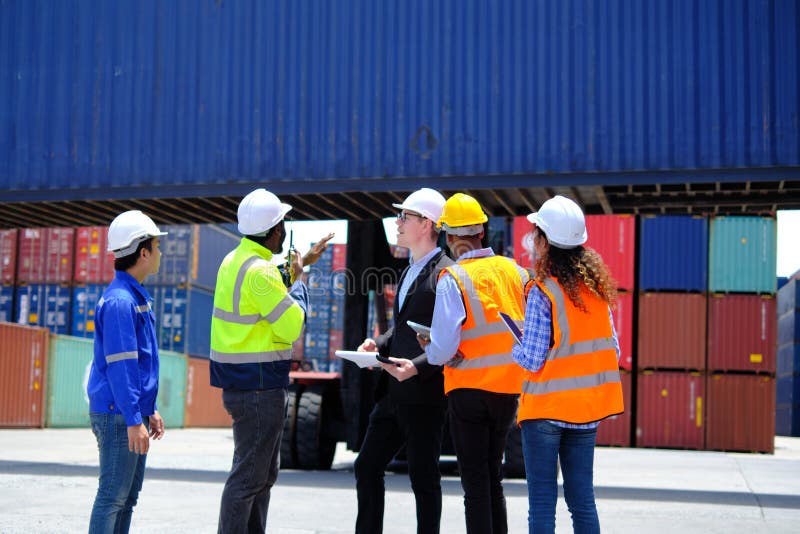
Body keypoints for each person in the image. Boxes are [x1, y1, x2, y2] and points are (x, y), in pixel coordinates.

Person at [512, 195, 624, 534]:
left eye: (535, 235)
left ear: (544, 242)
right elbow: (612, 349)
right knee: (582, 501)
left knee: (543, 504)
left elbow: (531, 358)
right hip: (586, 412)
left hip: (545, 410)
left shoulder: (542, 290)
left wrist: (514, 344)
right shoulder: (597, 294)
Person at [420, 193, 530, 534]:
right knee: (493, 478)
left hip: (468, 390)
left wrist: (431, 346)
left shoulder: (453, 277)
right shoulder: (516, 271)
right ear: (483, 230)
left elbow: (441, 351)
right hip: (509, 390)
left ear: (449, 237)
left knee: (476, 485)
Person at [353, 188, 453, 534]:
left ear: (426, 224)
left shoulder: (447, 274)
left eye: (404, 217)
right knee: (366, 466)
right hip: (393, 393)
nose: (397, 223)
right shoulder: (410, 269)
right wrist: (375, 343)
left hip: (425, 395)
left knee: (424, 480)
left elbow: (452, 340)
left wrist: (419, 367)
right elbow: (401, 329)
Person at [210, 188, 310, 534]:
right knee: (249, 478)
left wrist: (293, 270)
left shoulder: (235, 261)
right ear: (276, 230)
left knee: (261, 475)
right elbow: (293, 323)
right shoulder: (261, 273)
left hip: (244, 384)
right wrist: (300, 285)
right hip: (259, 387)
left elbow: (263, 290)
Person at [87, 210, 168, 534]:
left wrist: (149, 409)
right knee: (112, 497)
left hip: (130, 412)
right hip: (119, 414)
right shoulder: (121, 301)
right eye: (156, 246)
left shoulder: (133, 296)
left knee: (127, 498)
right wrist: (135, 419)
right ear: (143, 252)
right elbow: (122, 367)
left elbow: (140, 362)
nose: (160, 253)